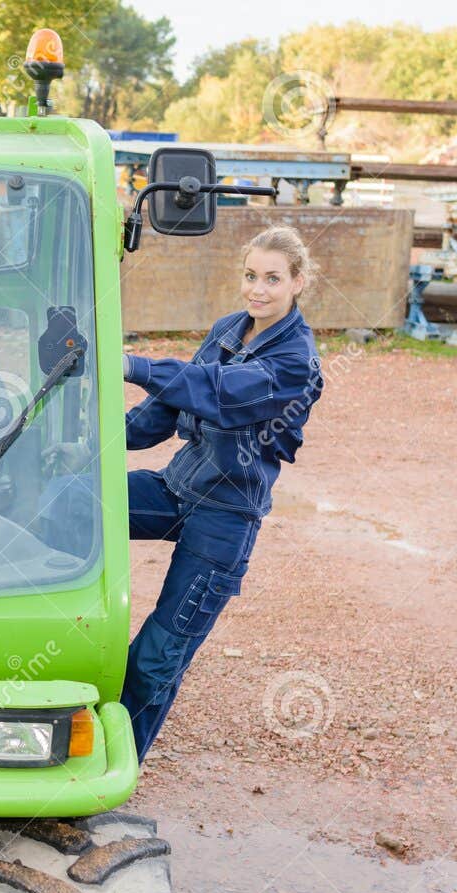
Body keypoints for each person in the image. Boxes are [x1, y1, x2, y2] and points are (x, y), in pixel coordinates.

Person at [118, 225, 325, 761]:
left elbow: (216, 392)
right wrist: (84, 441)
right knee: (79, 504)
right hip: (177, 487)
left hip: (224, 518)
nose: (258, 289)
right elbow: (165, 409)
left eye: (273, 279)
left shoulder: (296, 360)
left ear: (297, 282)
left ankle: (116, 769)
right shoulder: (229, 329)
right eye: (251, 276)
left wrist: (133, 365)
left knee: (158, 655)